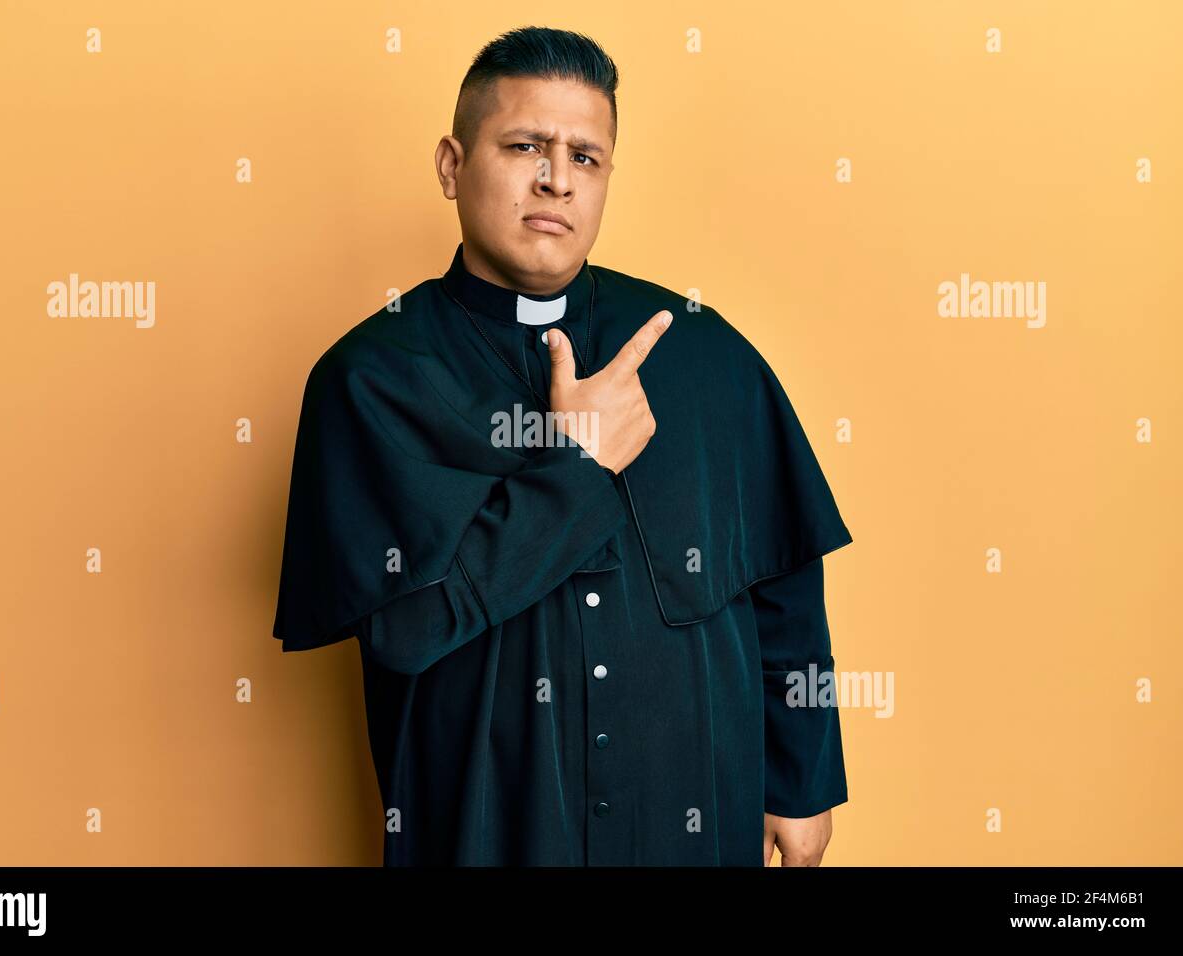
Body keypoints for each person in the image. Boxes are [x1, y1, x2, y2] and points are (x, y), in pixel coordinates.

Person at [272, 26, 854, 866]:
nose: (556, 178)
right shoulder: (369, 381)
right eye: (524, 146)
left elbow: (788, 587)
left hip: (694, 817)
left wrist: (803, 782)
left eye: (586, 156)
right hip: (487, 827)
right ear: (451, 164)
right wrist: (578, 466)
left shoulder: (701, 351)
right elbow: (406, 631)